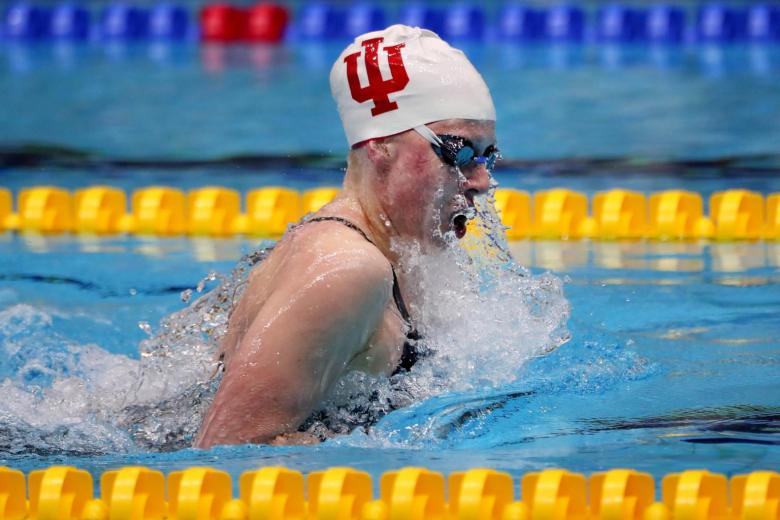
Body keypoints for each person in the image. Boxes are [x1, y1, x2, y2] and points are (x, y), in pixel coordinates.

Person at [195, 25, 498, 448]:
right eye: (458, 152)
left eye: (487, 156)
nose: (482, 180)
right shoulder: (348, 270)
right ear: (380, 145)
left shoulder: (402, 252)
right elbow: (222, 455)